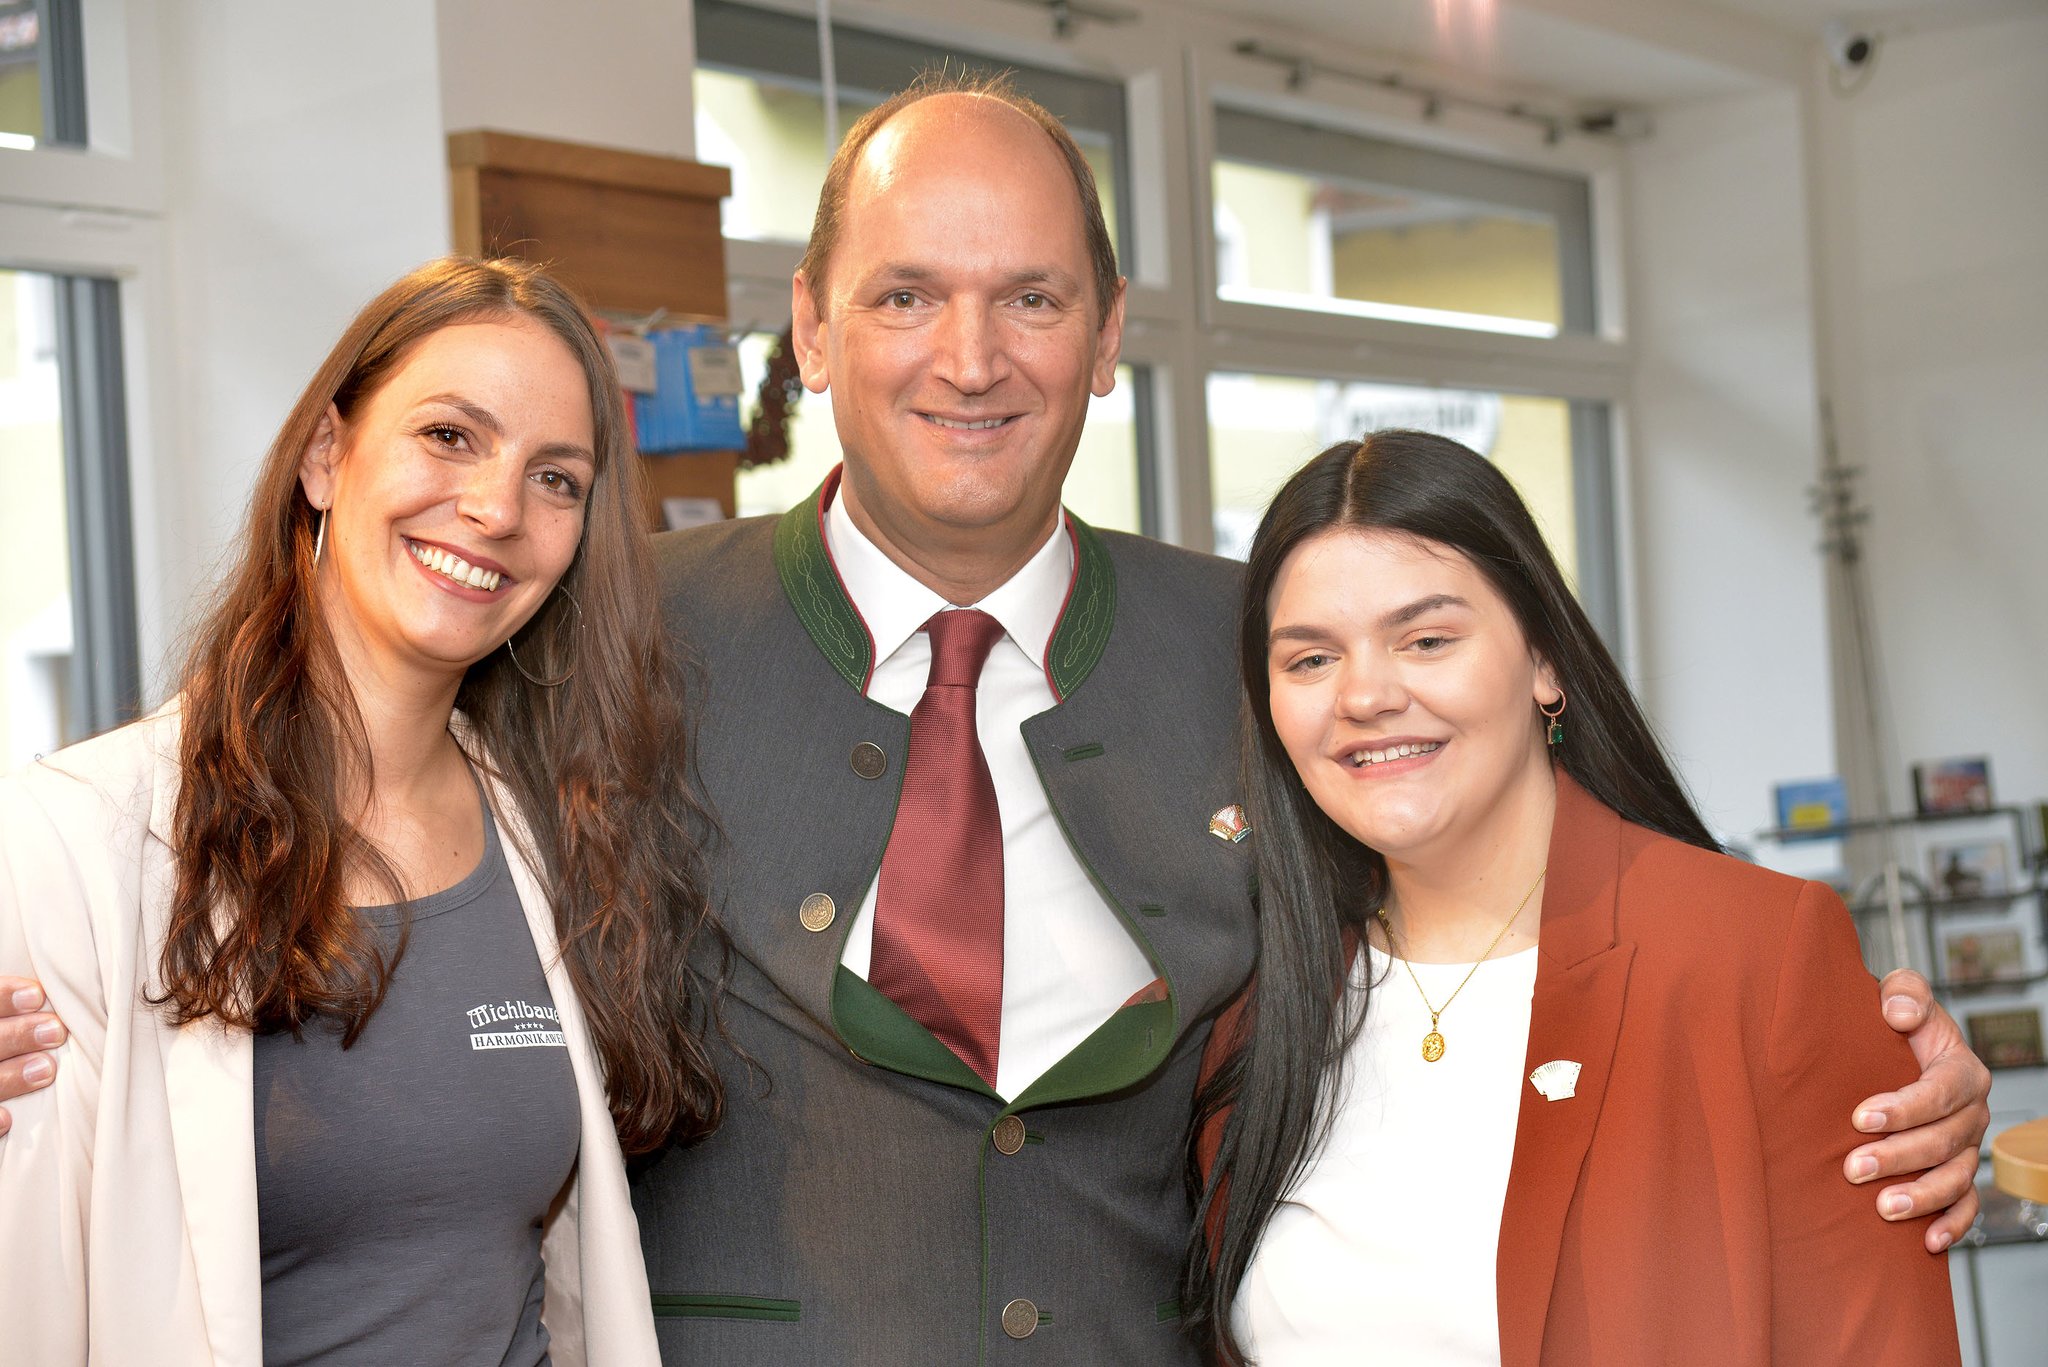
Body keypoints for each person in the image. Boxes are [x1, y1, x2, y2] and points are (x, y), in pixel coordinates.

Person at [0, 72, 1991, 1366]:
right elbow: (298, 811)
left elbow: (1554, 911)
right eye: (907, 298)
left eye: (1034, 298)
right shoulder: (602, 629)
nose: (971, 359)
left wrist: (1866, 1058)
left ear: (1110, 338)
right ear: (809, 325)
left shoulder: (1270, 650)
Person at [0, 257, 721, 1366]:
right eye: (449, 436)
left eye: (556, 478)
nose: (494, 509)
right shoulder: (85, 840)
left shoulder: (552, 823)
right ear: (325, 454)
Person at [1186, 431, 1961, 1365]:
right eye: (1309, 660)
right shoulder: (1254, 1007)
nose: (1365, 694)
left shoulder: (1753, 955)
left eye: (1426, 639)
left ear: (1546, 661)